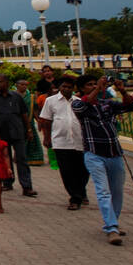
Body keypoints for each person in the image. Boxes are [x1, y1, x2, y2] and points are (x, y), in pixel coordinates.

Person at [71, 74, 133, 244]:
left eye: (96, 84)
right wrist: (97, 89)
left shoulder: (106, 104)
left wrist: (122, 89)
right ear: (81, 89)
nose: (94, 87)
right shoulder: (79, 104)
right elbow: (82, 106)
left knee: (117, 190)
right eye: (89, 85)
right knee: (103, 191)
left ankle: (113, 221)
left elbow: (130, 106)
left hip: (114, 153)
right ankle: (111, 228)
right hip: (94, 153)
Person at [0, 74, 36, 197]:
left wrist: (29, 129)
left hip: (17, 132)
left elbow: (24, 114)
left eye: (0, 82)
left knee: (22, 159)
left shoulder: (16, 97)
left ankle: (26, 186)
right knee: (5, 159)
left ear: (6, 83)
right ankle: (7, 182)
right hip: (1, 134)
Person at [40, 76, 89, 210]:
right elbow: (46, 120)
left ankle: (80, 191)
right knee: (67, 172)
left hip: (79, 141)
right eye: (64, 87)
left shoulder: (79, 102)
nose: (66, 89)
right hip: (61, 141)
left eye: (69, 87)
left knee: (83, 170)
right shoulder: (50, 101)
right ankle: (75, 197)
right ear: (59, 87)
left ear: (73, 89)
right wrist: (47, 137)